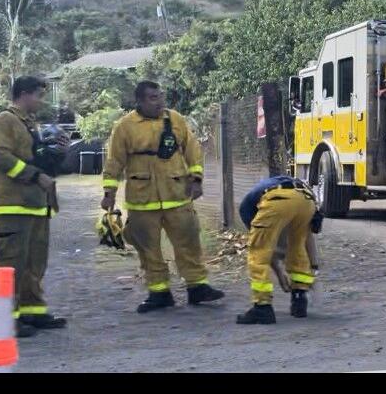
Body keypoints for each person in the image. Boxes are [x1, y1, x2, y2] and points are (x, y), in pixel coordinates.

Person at [101, 81, 224, 312]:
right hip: (142, 200)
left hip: (177, 195)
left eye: (160, 96)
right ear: (140, 101)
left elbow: (193, 151)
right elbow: (114, 161)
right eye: (152, 98)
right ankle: (159, 292)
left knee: (189, 242)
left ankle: (197, 287)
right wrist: (109, 193)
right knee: (148, 248)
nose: (159, 102)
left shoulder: (176, 120)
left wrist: (196, 180)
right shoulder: (125, 127)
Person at [0, 76, 68, 337]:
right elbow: (0, 155)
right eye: (38, 96)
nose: (41, 101)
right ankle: (4, 320)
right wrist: (34, 176)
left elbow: (38, 159)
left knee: (34, 264)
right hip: (13, 206)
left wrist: (58, 153)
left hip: (37, 205)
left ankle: (32, 311)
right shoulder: (4, 121)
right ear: (24, 94)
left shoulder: (31, 125)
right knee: (8, 266)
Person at [234, 176, 320, 325]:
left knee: (258, 253)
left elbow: (264, 247)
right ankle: (299, 298)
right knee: (297, 245)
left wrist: (279, 272)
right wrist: (314, 267)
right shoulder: (258, 201)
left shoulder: (248, 209)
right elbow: (307, 237)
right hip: (306, 199)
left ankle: (262, 307)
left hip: (278, 199)